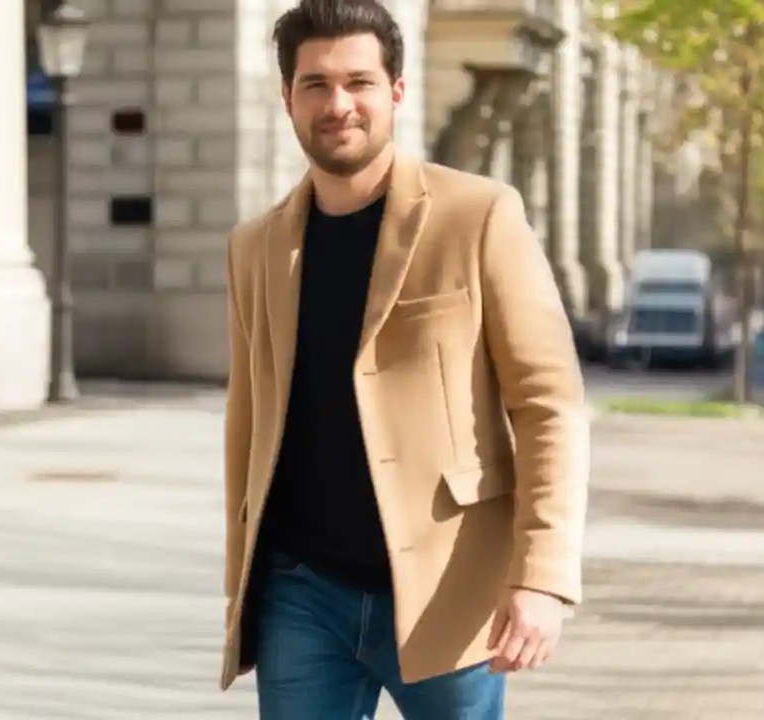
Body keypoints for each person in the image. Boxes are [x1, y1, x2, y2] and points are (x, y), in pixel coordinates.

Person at [219, 0, 589, 717]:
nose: (338, 104)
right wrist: (242, 590)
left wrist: (542, 576)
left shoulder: (478, 215)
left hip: (448, 588)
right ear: (287, 98)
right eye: (315, 84)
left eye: (358, 82)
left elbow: (550, 403)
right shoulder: (254, 249)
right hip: (301, 594)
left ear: (396, 92)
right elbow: (248, 422)